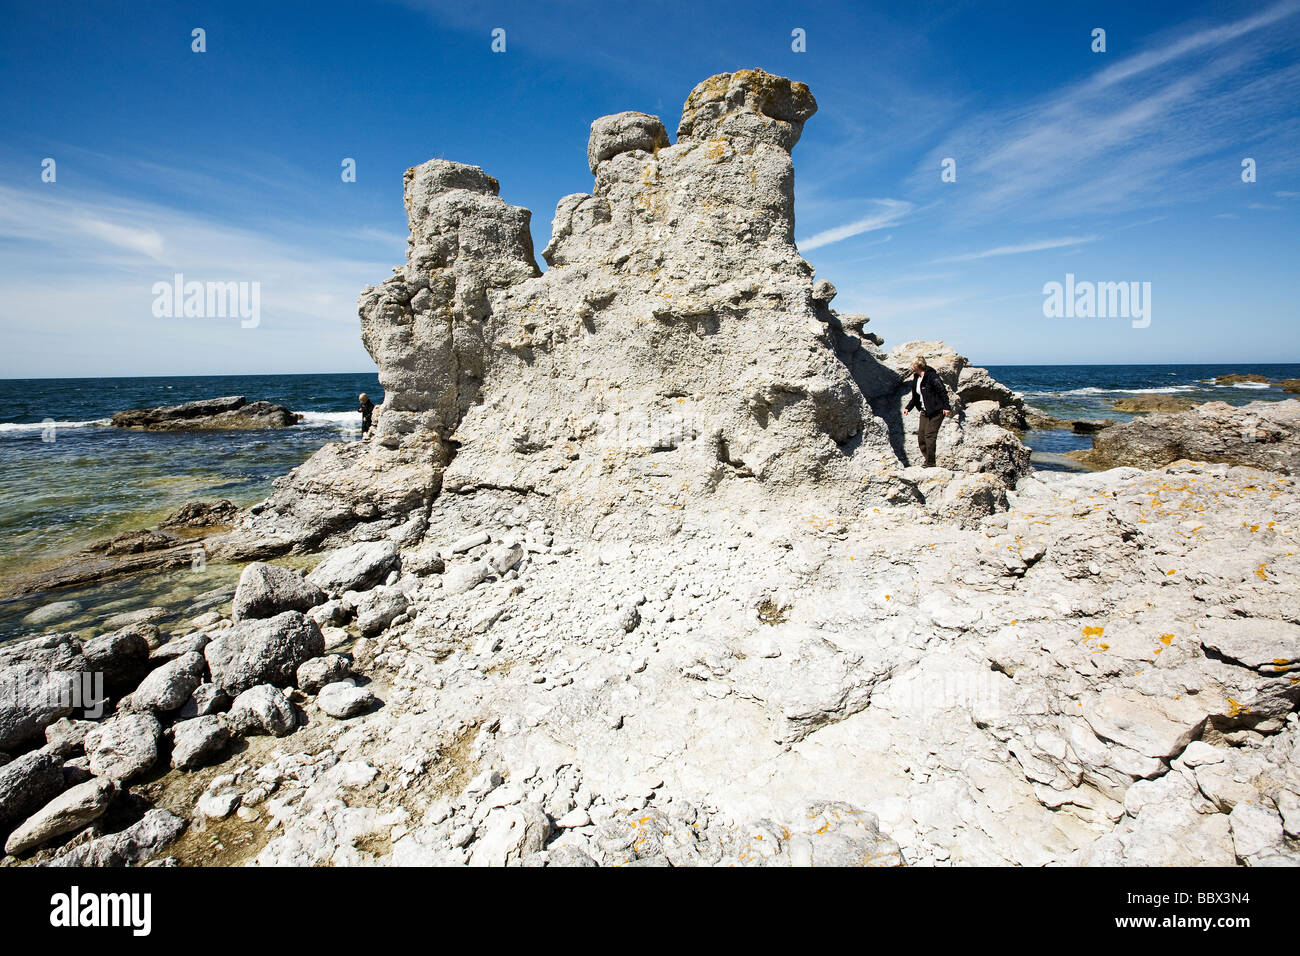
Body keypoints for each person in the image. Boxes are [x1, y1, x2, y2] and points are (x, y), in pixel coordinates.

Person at [901, 356, 951, 467]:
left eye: (912, 365)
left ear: (917, 365)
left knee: (930, 435)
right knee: (921, 437)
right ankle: (927, 459)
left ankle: (931, 463)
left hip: (937, 410)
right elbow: (915, 397)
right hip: (924, 411)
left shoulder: (932, 376)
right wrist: (908, 408)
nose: (911, 367)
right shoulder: (916, 378)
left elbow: (942, 392)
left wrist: (947, 407)